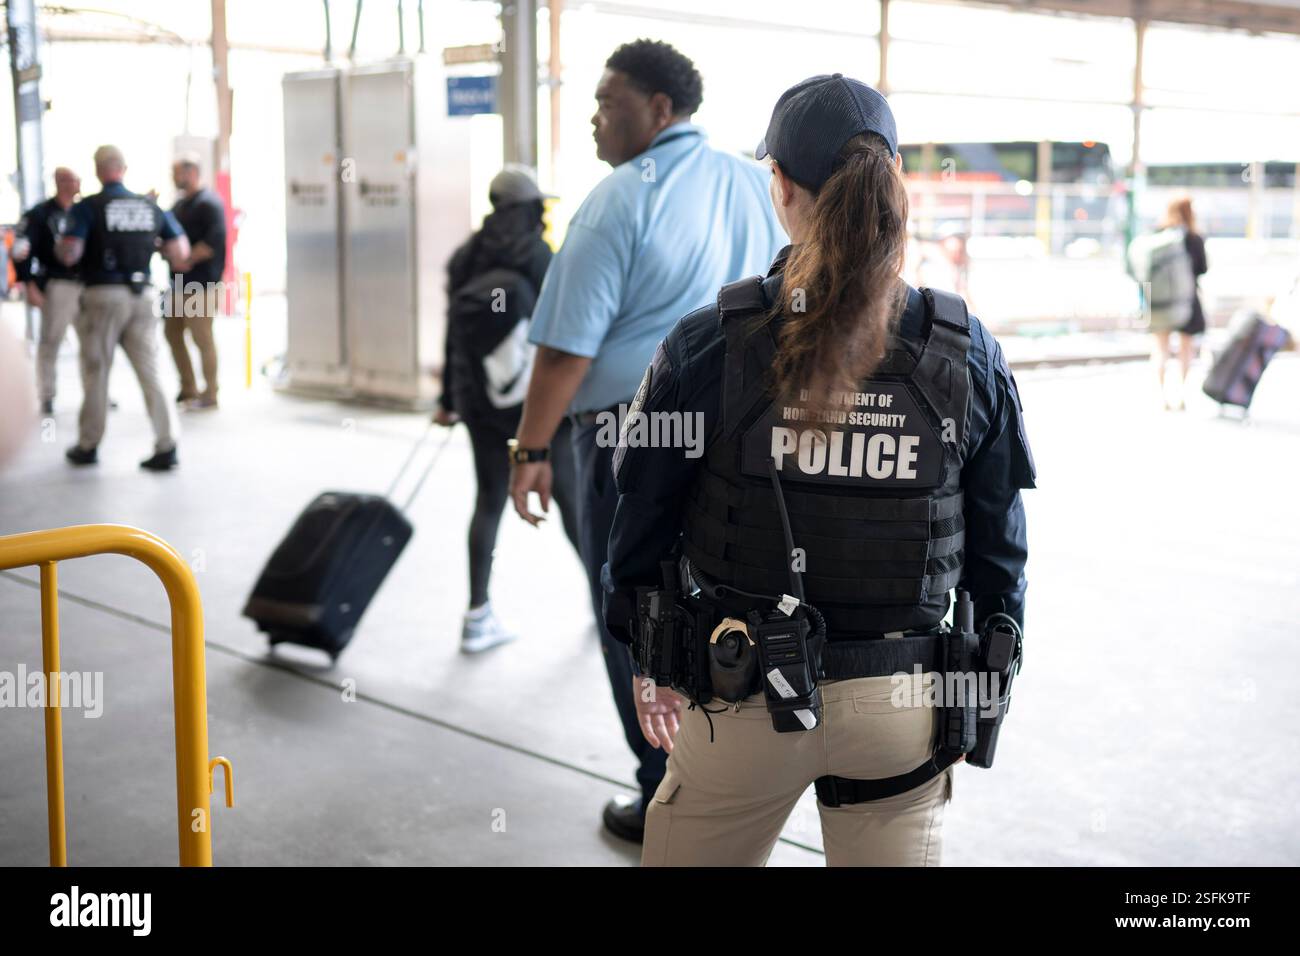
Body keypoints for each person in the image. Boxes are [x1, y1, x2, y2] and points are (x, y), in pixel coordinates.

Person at [601, 74, 1037, 866]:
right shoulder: (968, 352)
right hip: (903, 709)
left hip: (738, 699)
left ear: (781, 188)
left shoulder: (709, 343)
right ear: (893, 183)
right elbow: (999, 555)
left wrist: (647, 657)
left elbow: (639, 523)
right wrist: (981, 689)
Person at [507, 38, 785, 843]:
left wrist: (529, 450)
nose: (596, 118)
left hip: (632, 442)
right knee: (723, 604)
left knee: (631, 608)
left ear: (660, 109)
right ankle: (728, 776)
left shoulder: (618, 197)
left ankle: (663, 786)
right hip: (743, 443)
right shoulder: (754, 182)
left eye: (609, 102)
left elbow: (565, 349)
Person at [435, 165, 580, 652]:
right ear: (531, 207)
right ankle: (606, 610)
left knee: (488, 501)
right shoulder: (539, 256)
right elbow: (561, 340)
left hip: (480, 405)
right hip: (536, 409)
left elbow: (454, 336)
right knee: (572, 504)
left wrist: (448, 402)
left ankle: (476, 616)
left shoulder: (466, 257)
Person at [58, 145, 190, 470]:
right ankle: (166, 443)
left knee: (97, 370)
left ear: (97, 170)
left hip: (103, 296)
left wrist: (63, 249)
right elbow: (180, 251)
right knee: (151, 371)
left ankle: (88, 445)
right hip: (143, 294)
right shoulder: (149, 207)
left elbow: (70, 254)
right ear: (124, 168)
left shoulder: (89, 207)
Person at [12, 167, 84, 414]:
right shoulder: (39, 214)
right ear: (58, 182)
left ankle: (96, 392)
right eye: (68, 179)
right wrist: (29, 284)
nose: (73, 184)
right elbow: (21, 251)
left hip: (87, 283)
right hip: (57, 283)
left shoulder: (84, 211)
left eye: (75, 179)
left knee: (93, 341)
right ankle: (47, 393)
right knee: (51, 341)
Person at [165, 153, 227, 410]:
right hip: (178, 284)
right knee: (172, 333)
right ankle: (188, 387)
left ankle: (210, 393)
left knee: (202, 338)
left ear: (192, 173)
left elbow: (213, 242)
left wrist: (186, 260)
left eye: (179, 172)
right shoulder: (179, 206)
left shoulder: (209, 204)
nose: (176, 178)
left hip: (201, 284)